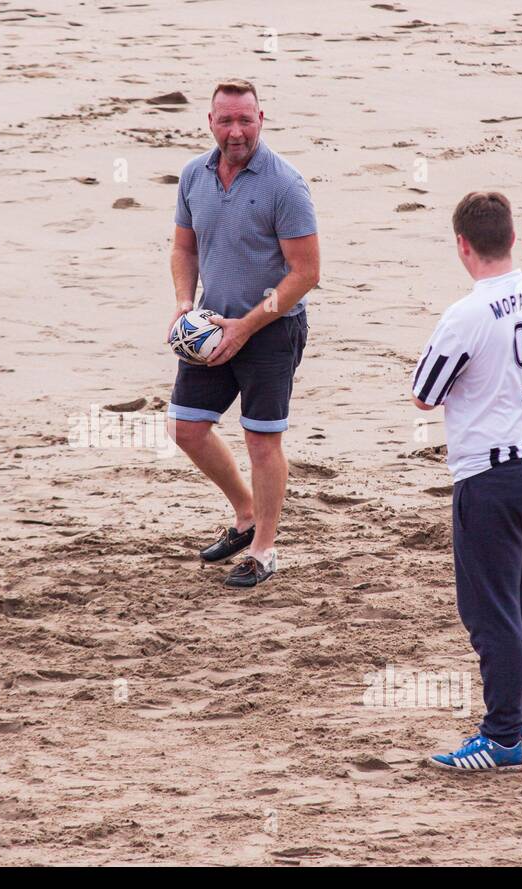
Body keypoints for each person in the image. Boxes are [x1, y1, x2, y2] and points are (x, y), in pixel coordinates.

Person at [412, 191, 522, 773]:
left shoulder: (465, 315)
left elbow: (424, 394)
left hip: (492, 474)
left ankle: (502, 736)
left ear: (463, 244)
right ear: (512, 236)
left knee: (491, 611)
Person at [165, 80, 321, 588]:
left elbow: (305, 274)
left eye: (245, 120)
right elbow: (184, 249)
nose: (236, 131)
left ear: (261, 119)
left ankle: (264, 549)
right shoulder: (194, 174)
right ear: (210, 122)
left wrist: (247, 326)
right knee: (186, 428)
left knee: (261, 440)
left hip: (272, 330)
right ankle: (245, 513)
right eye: (226, 120)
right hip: (210, 327)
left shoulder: (285, 184)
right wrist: (185, 305)